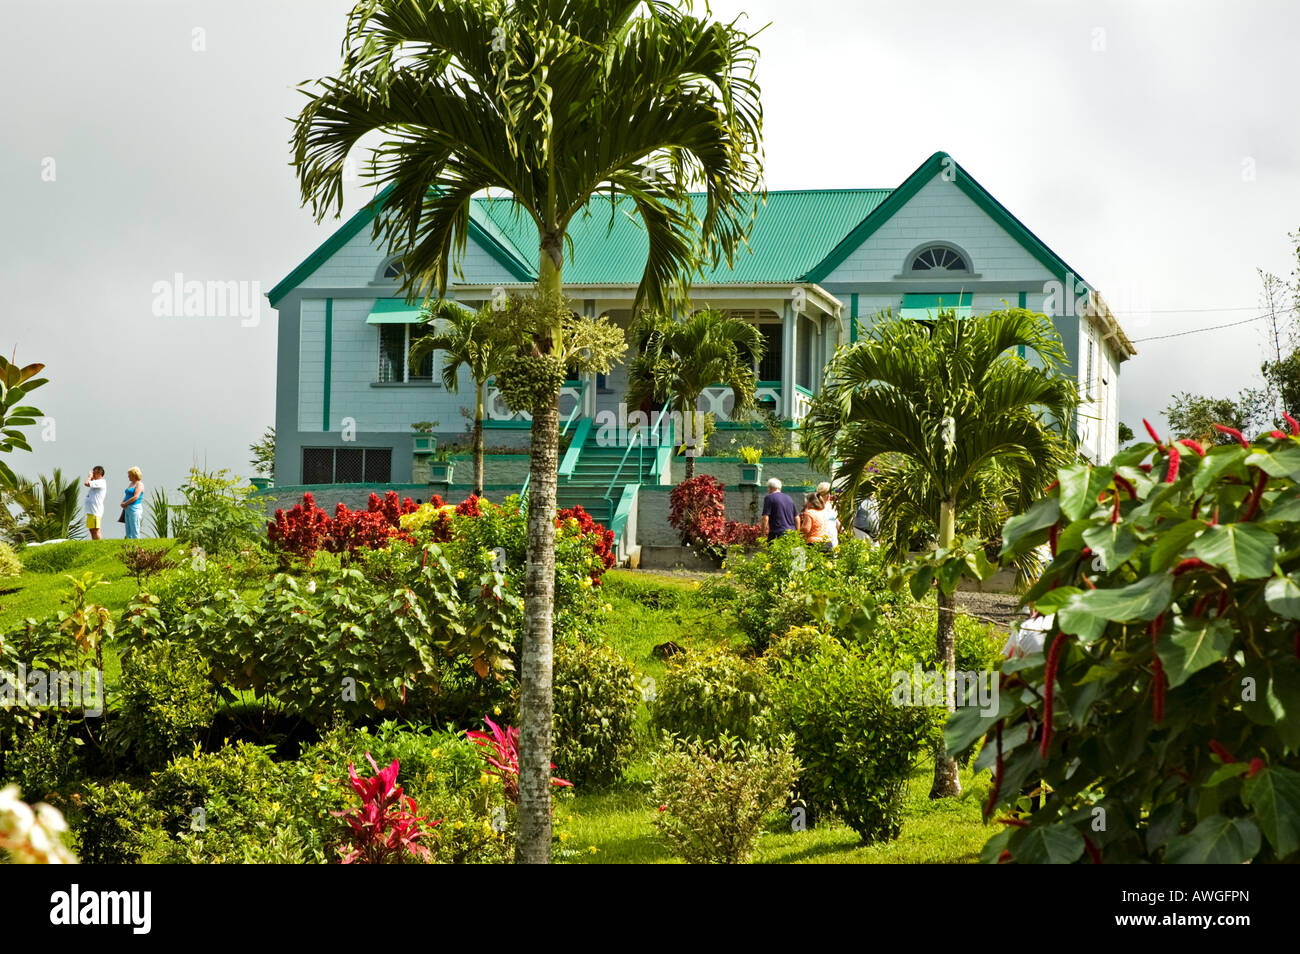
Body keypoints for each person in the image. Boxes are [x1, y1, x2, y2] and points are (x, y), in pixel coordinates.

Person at [760, 476, 798, 541]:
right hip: (791, 533)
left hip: (777, 533)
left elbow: (765, 517)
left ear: (770, 488)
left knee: (774, 551)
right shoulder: (789, 498)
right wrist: (797, 533)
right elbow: (797, 517)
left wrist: (763, 534)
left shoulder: (769, 498)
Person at [83, 466, 107, 540]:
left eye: (94, 473)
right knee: (91, 529)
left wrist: (89, 477)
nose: (93, 474)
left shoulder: (101, 482)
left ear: (99, 473)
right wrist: (92, 477)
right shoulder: (95, 482)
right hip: (90, 510)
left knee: (96, 530)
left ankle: (99, 544)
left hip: (95, 510)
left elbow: (86, 483)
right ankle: (94, 543)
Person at [120, 466, 145, 539]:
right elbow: (127, 494)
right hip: (127, 508)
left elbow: (136, 496)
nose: (128, 476)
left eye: (129, 475)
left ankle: (137, 545)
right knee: (128, 528)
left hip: (134, 508)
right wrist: (123, 502)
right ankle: (129, 544)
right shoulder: (131, 484)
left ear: (134, 475)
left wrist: (125, 503)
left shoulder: (139, 484)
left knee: (135, 527)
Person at [815, 481, 839, 549]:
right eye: (826, 493)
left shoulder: (831, 506)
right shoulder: (817, 507)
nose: (829, 495)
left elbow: (835, 520)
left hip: (833, 539)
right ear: (821, 494)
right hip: (821, 540)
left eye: (829, 493)